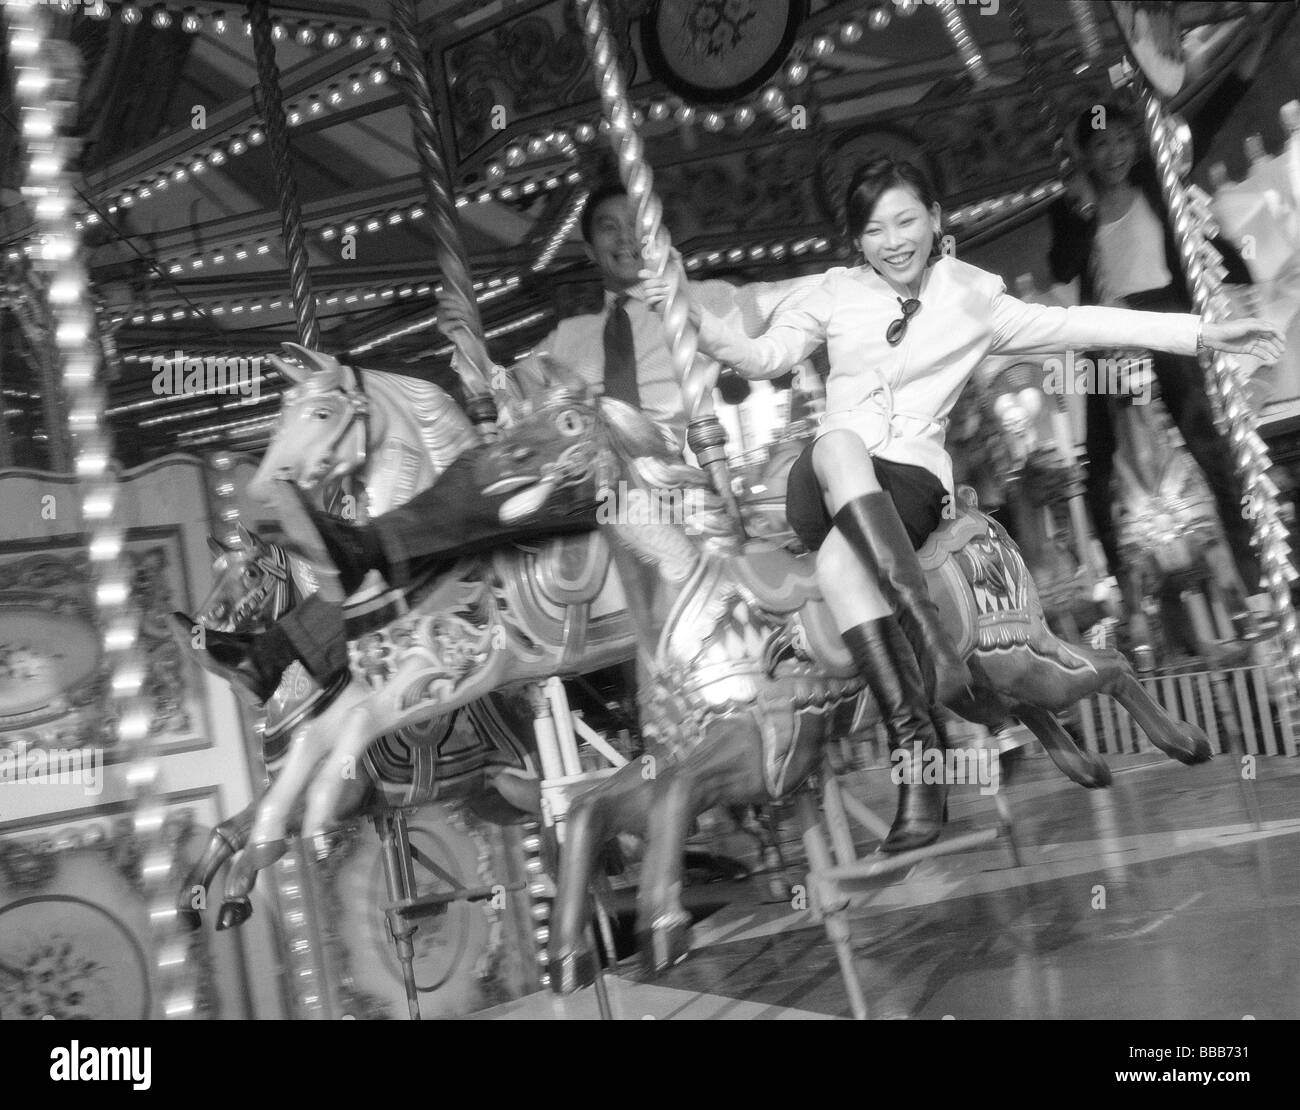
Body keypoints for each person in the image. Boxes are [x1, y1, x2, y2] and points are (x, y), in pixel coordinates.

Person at [644, 157, 1282, 852]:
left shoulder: (971, 298)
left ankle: (919, 767)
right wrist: (689, 312)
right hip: (825, 485)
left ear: (935, 219)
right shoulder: (831, 293)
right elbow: (761, 356)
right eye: (875, 228)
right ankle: (929, 636)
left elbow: (1081, 324)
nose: (893, 240)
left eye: (906, 221)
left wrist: (1201, 332)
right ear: (857, 239)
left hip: (911, 485)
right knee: (835, 446)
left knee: (836, 569)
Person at [177, 183, 800, 705]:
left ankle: (369, 545)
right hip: (583, 484)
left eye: (636, 223)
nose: (625, 238)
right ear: (590, 246)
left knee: (522, 461)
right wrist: (479, 363)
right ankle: (275, 653)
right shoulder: (572, 337)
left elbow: (783, 319)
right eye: (608, 228)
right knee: (446, 547)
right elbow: (514, 403)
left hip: (657, 469)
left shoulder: (708, 299)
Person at [1048, 101, 1260, 611]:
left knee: (1206, 438)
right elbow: (1062, 268)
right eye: (1102, 145)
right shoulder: (1073, 205)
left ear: (1135, 142)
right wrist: (1083, 210)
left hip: (1164, 314)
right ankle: (1122, 581)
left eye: (1121, 140)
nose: (1115, 152)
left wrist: (1244, 65)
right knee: (1099, 454)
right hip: (1110, 326)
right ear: (1087, 156)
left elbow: (1201, 129)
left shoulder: (1153, 177)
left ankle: (1252, 568)